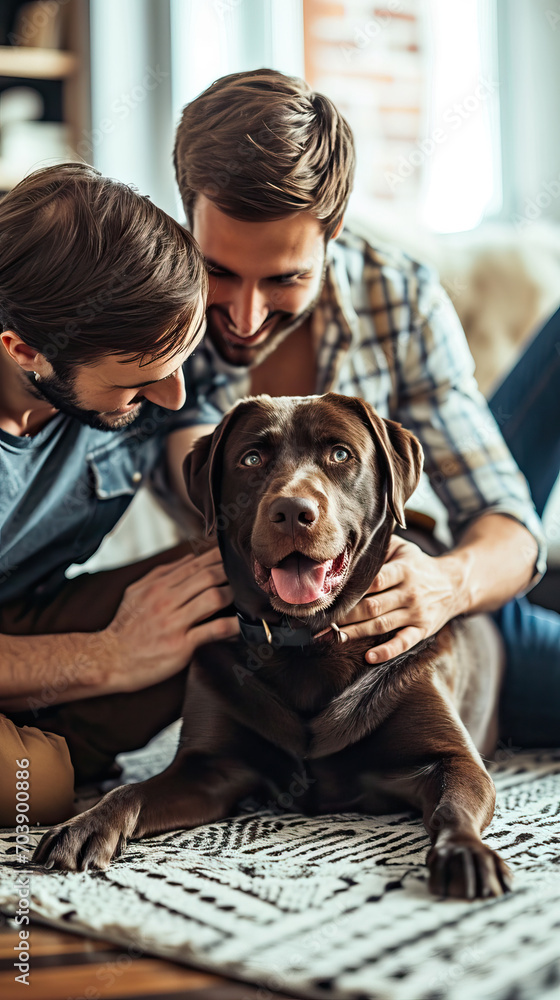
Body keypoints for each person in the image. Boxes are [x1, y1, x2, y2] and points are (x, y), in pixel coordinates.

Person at [171, 68, 559, 746]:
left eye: (285, 277)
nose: (246, 315)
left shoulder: (399, 294)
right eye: (222, 272)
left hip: (439, 587)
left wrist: (446, 586)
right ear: (187, 221)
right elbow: (204, 499)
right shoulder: (155, 311)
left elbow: (507, 524)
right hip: (295, 633)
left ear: (333, 231)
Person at [0, 163, 238, 826]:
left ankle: (53, 731)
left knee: (226, 586)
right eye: (139, 387)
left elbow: (201, 443)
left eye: (180, 364)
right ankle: (56, 748)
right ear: (27, 352)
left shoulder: (140, 340)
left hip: (27, 613)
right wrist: (108, 657)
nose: (174, 397)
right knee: (34, 787)